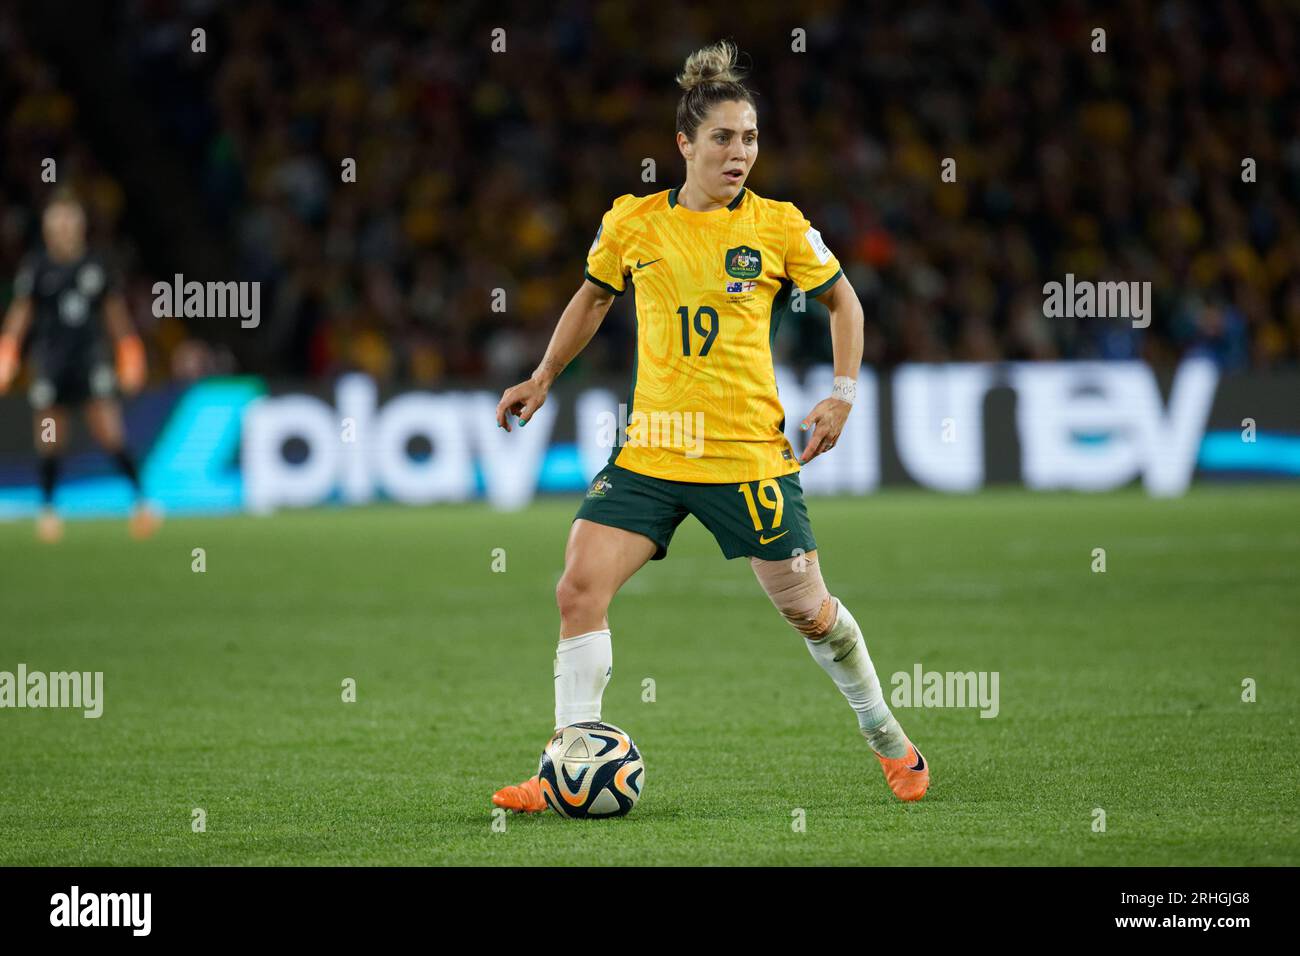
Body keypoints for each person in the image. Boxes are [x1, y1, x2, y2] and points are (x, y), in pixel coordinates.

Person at [492, 41, 928, 810]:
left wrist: (842, 392)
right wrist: (543, 376)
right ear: (685, 145)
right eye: (724, 137)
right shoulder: (633, 225)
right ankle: (565, 765)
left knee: (810, 613)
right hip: (652, 451)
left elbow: (844, 303)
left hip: (746, 455)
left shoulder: (779, 226)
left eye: (751, 137)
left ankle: (890, 741)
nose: (740, 153)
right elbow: (592, 299)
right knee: (578, 587)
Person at [0, 191, 159, 541]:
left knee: (109, 433)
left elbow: (115, 315)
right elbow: (21, 313)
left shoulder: (97, 266)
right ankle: (48, 510)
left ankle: (142, 502)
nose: (64, 228)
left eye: (70, 221)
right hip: (51, 363)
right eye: (57, 222)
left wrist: (129, 352)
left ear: (81, 226)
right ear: (47, 228)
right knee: (48, 436)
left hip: (91, 361)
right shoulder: (37, 267)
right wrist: (8, 351)